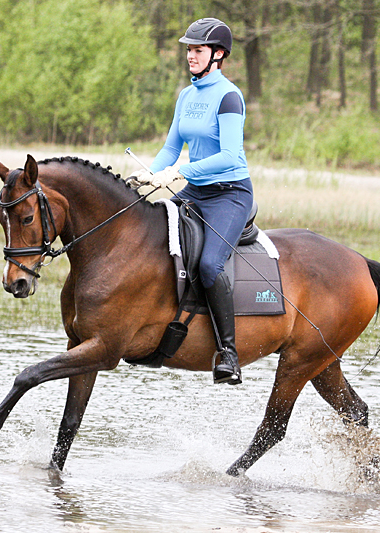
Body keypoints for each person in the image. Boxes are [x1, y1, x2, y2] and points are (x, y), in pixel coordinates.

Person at [131, 18, 253, 385]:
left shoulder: (229, 96)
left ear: (218, 55)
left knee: (210, 265)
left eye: (197, 50)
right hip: (193, 190)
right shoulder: (187, 95)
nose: (190, 56)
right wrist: (151, 175)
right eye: (188, 49)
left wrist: (181, 172)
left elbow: (231, 156)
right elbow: (171, 147)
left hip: (228, 195)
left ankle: (228, 354)